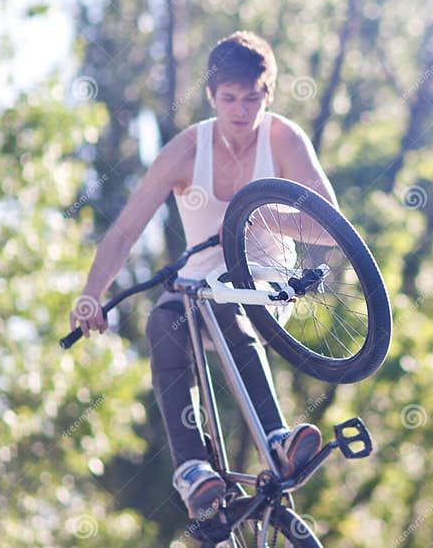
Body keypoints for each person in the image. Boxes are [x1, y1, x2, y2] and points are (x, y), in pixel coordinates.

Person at [70, 30, 341, 521]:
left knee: (226, 298)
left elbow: (330, 226)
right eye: (229, 98)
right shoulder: (185, 151)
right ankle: (194, 470)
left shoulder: (282, 139)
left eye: (252, 98)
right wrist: (91, 294)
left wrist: (261, 216)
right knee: (163, 322)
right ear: (213, 97)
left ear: (268, 94)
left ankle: (277, 438)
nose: (240, 110)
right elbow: (125, 230)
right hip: (199, 285)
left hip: (265, 283)